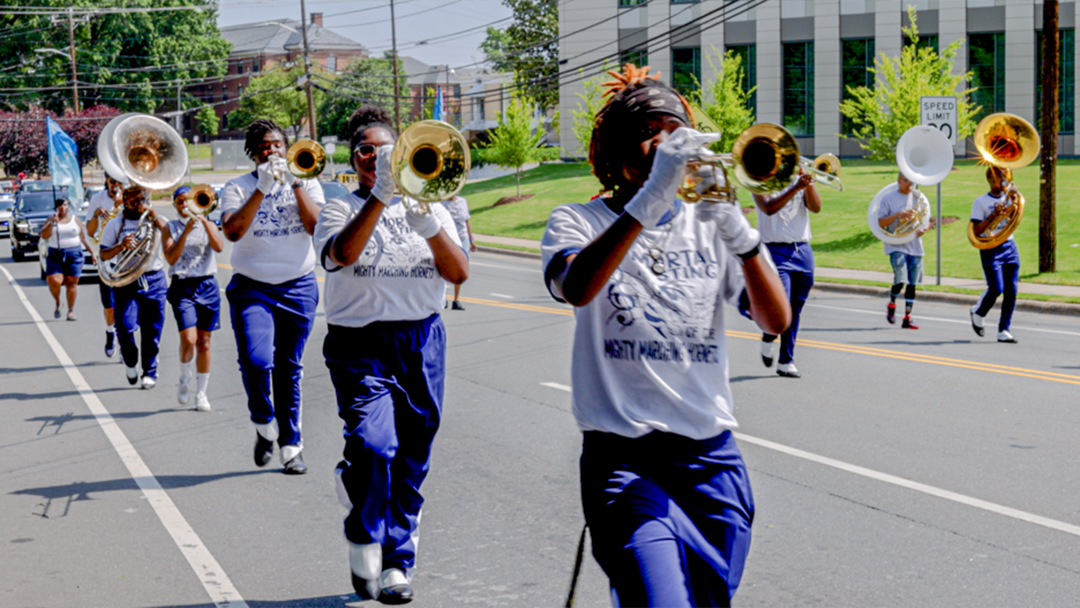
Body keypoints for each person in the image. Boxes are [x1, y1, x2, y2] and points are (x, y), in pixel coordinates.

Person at [540, 65, 791, 607]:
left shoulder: (708, 223)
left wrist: (743, 236)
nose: (661, 142)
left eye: (672, 130)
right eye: (647, 130)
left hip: (709, 458)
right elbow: (577, 287)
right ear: (616, 147)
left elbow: (775, 321)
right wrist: (649, 199)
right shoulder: (576, 222)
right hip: (623, 459)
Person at [313, 105, 469, 604]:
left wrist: (427, 223)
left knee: (412, 456)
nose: (375, 158)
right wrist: (380, 197)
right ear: (354, 158)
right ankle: (364, 523)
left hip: (421, 340)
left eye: (386, 150)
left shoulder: (434, 206)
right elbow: (342, 254)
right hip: (359, 344)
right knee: (374, 446)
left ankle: (398, 562)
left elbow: (459, 273)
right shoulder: (338, 208)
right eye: (366, 150)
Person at [220, 118, 325, 475]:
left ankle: (291, 446)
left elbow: (317, 227)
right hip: (253, 287)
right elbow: (232, 232)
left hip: (298, 285)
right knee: (256, 361)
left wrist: (296, 185)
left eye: (278, 144)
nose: (272, 151)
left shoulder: (308, 180)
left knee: (289, 367)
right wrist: (262, 188)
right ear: (253, 152)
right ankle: (264, 424)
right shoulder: (237, 187)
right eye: (265, 146)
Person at [98, 186, 169, 389]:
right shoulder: (114, 224)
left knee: (152, 328)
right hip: (126, 281)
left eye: (142, 200)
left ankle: (150, 372)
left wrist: (154, 214)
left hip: (153, 279)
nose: (138, 204)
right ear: (126, 201)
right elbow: (103, 254)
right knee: (125, 326)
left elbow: (169, 232)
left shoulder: (153, 220)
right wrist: (121, 246)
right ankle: (130, 361)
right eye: (134, 200)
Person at [753, 167, 821, 378]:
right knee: (781, 304)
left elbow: (816, 208)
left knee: (795, 308)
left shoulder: (800, 179)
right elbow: (768, 207)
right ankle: (768, 334)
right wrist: (796, 188)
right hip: (775, 250)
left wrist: (807, 185)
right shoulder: (757, 178)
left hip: (801, 249)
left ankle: (785, 360)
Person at [164, 186, 225, 411]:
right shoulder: (170, 227)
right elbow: (171, 258)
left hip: (207, 284)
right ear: (174, 205)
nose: (184, 205)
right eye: (180, 202)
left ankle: (201, 393)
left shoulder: (208, 223)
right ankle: (184, 377)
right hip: (182, 285)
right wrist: (186, 232)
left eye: (187, 201)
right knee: (189, 339)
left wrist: (207, 224)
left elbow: (219, 246)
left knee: (204, 341)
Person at [969, 166, 1020, 343]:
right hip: (990, 247)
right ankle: (978, 312)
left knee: (1011, 290)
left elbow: (1014, 216)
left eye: (1004, 176)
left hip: (1009, 245)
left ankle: (1004, 329)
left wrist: (1014, 199)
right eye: (1000, 177)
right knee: (996, 288)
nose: (1004, 180)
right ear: (991, 181)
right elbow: (976, 230)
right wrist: (993, 215)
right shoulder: (980, 202)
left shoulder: (1009, 198)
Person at [877, 172, 931, 329]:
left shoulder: (919, 198)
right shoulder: (888, 198)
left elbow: (927, 220)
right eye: (907, 181)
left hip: (915, 245)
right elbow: (880, 222)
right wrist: (898, 215)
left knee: (913, 283)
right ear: (899, 181)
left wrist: (924, 229)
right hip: (896, 244)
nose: (910, 184)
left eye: (912, 181)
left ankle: (908, 317)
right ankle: (892, 304)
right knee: (901, 280)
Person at [86, 176, 124, 356]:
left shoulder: (131, 197)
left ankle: (125, 339)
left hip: (127, 257)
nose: (115, 186)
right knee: (109, 305)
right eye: (112, 182)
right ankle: (110, 333)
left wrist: (124, 203)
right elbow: (90, 231)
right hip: (107, 256)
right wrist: (95, 215)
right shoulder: (97, 199)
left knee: (127, 304)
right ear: (107, 181)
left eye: (119, 182)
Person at [38, 197, 94, 321]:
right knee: (54, 281)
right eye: (59, 205)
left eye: (65, 205)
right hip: (55, 254)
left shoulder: (75, 219)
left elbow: (83, 238)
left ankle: (71, 311)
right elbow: (44, 235)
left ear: (68, 206)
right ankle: (58, 302)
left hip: (74, 253)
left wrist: (93, 253)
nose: (62, 207)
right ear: (56, 207)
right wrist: (52, 222)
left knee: (71, 283)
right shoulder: (51, 220)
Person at [439, 194, 476, 310]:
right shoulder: (442, 204)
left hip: (463, 238)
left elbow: (466, 222)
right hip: (449, 238)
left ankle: (456, 300)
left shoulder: (463, 201)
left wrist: (471, 240)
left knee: (460, 268)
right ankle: (443, 298)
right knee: (445, 266)